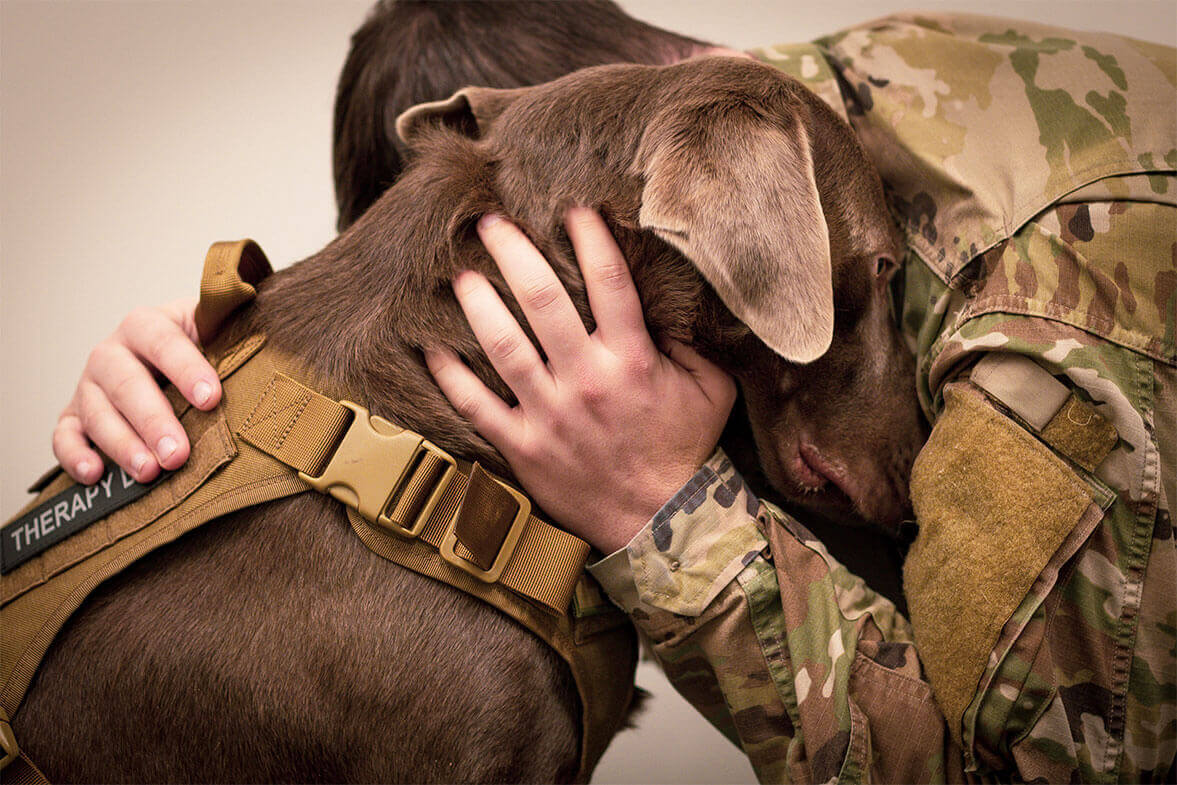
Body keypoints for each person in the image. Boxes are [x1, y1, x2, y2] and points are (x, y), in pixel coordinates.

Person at [45, 2, 1176, 781]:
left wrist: (666, 509)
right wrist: (197, 400)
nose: (575, 374)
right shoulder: (651, 156)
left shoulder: (1043, 336)